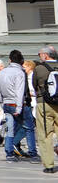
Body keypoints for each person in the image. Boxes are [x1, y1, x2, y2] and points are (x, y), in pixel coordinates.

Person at [0, 50, 32, 162]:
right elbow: (20, 91)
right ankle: (32, 152)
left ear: (10, 60)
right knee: (28, 127)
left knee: (9, 129)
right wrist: (19, 108)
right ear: (21, 60)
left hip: (6, 103)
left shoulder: (2, 72)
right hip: (16, 104)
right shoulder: (20, 72)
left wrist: (2, 103)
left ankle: (9, 153)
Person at [31, 46, 58, 174]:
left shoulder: (39, 68)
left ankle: (49, 165)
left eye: (40, 54)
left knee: (45, 135)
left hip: (44, 104)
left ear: (45, 56)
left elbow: (34, 84)